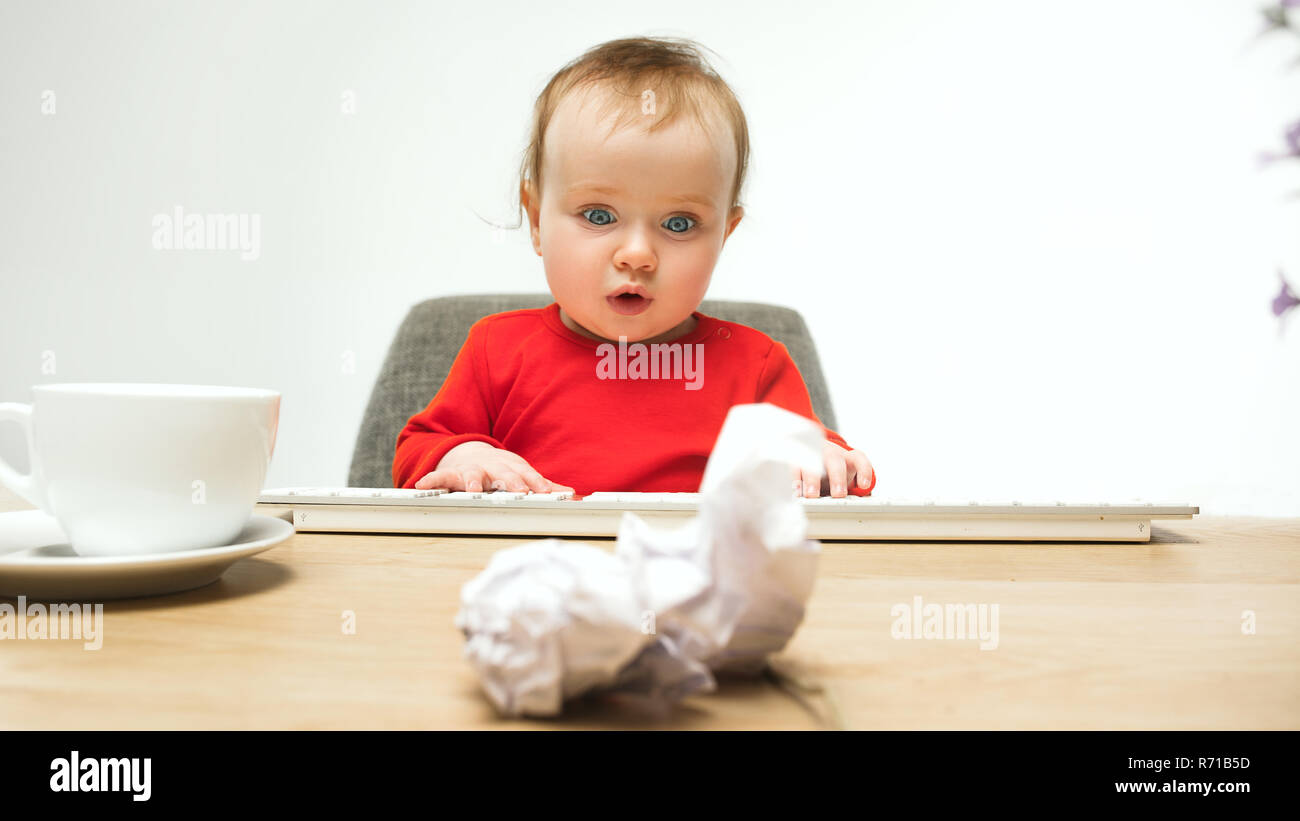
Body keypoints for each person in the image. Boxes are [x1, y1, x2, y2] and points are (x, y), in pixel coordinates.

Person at [393, 36, 875, 499]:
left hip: (695, 578)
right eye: (599, 216)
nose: (638, 255)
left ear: (723, 236)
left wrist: (825, 462)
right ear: (537, 221)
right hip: (539, 571)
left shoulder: (754, 367)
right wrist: (463, 454)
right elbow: (417, 453)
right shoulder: (495, 351)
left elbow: (816, 469)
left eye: (680, 223)